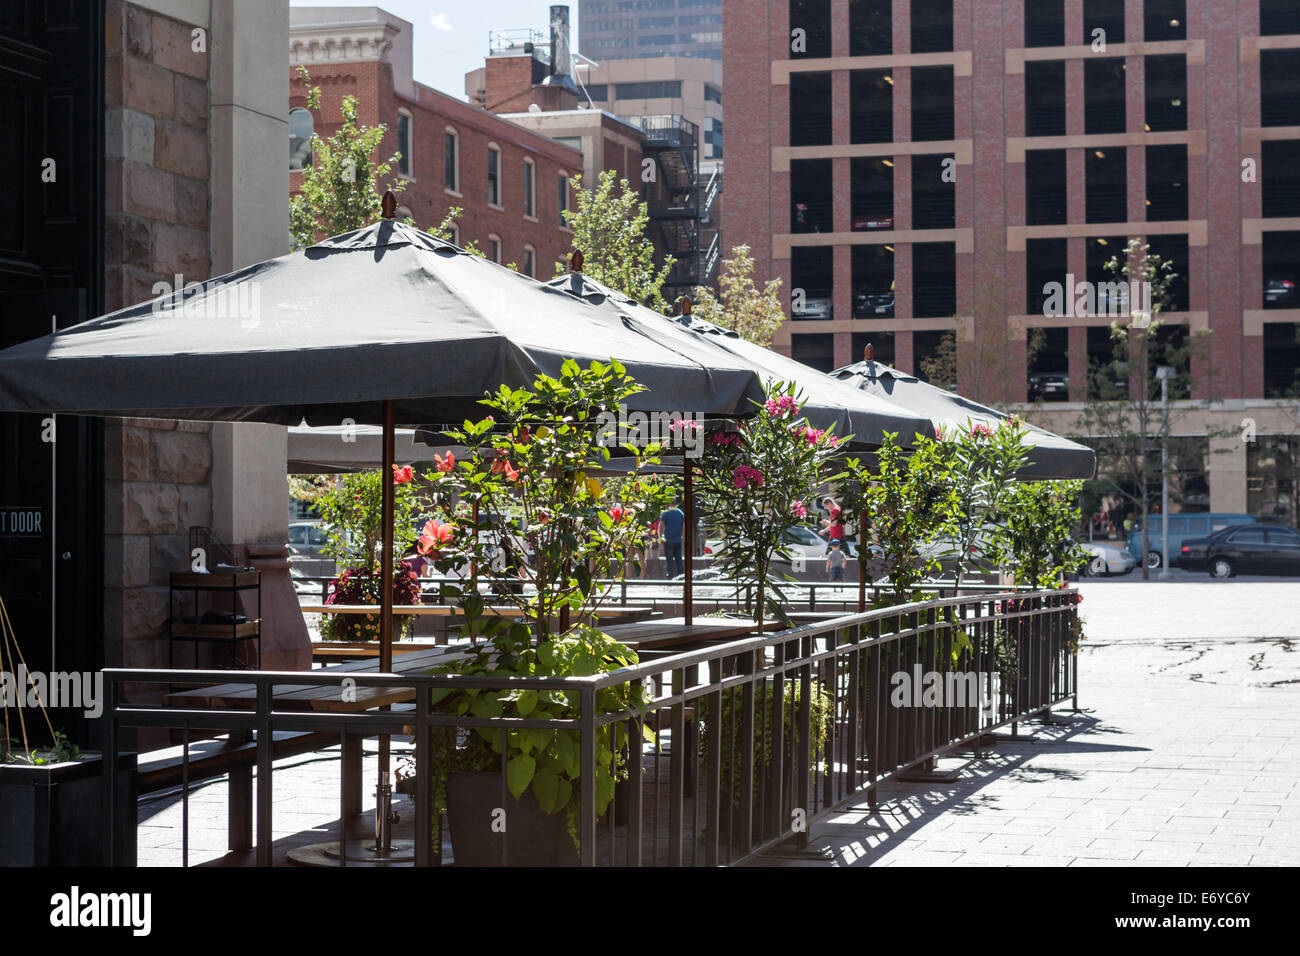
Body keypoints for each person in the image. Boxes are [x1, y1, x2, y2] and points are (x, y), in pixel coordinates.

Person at [660, 499, 686, 579]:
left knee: (669, 559)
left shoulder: (666, 513)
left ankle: (670, 577)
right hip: (678, 540)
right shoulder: (681, 513)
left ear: (669, 503)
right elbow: (684, 527)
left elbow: (661, 526)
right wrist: (683, 537)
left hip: (668, 540)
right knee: (679, 559)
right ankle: (681, 576)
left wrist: (660, 537)